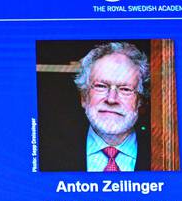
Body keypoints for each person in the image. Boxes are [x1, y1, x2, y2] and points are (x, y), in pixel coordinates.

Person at [41, 41, 152, 172]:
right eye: (101, 86)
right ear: (84, 97)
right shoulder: (47, 153)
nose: (111, 99)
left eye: (125, 89)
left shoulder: (161, 155)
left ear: (141, 100)